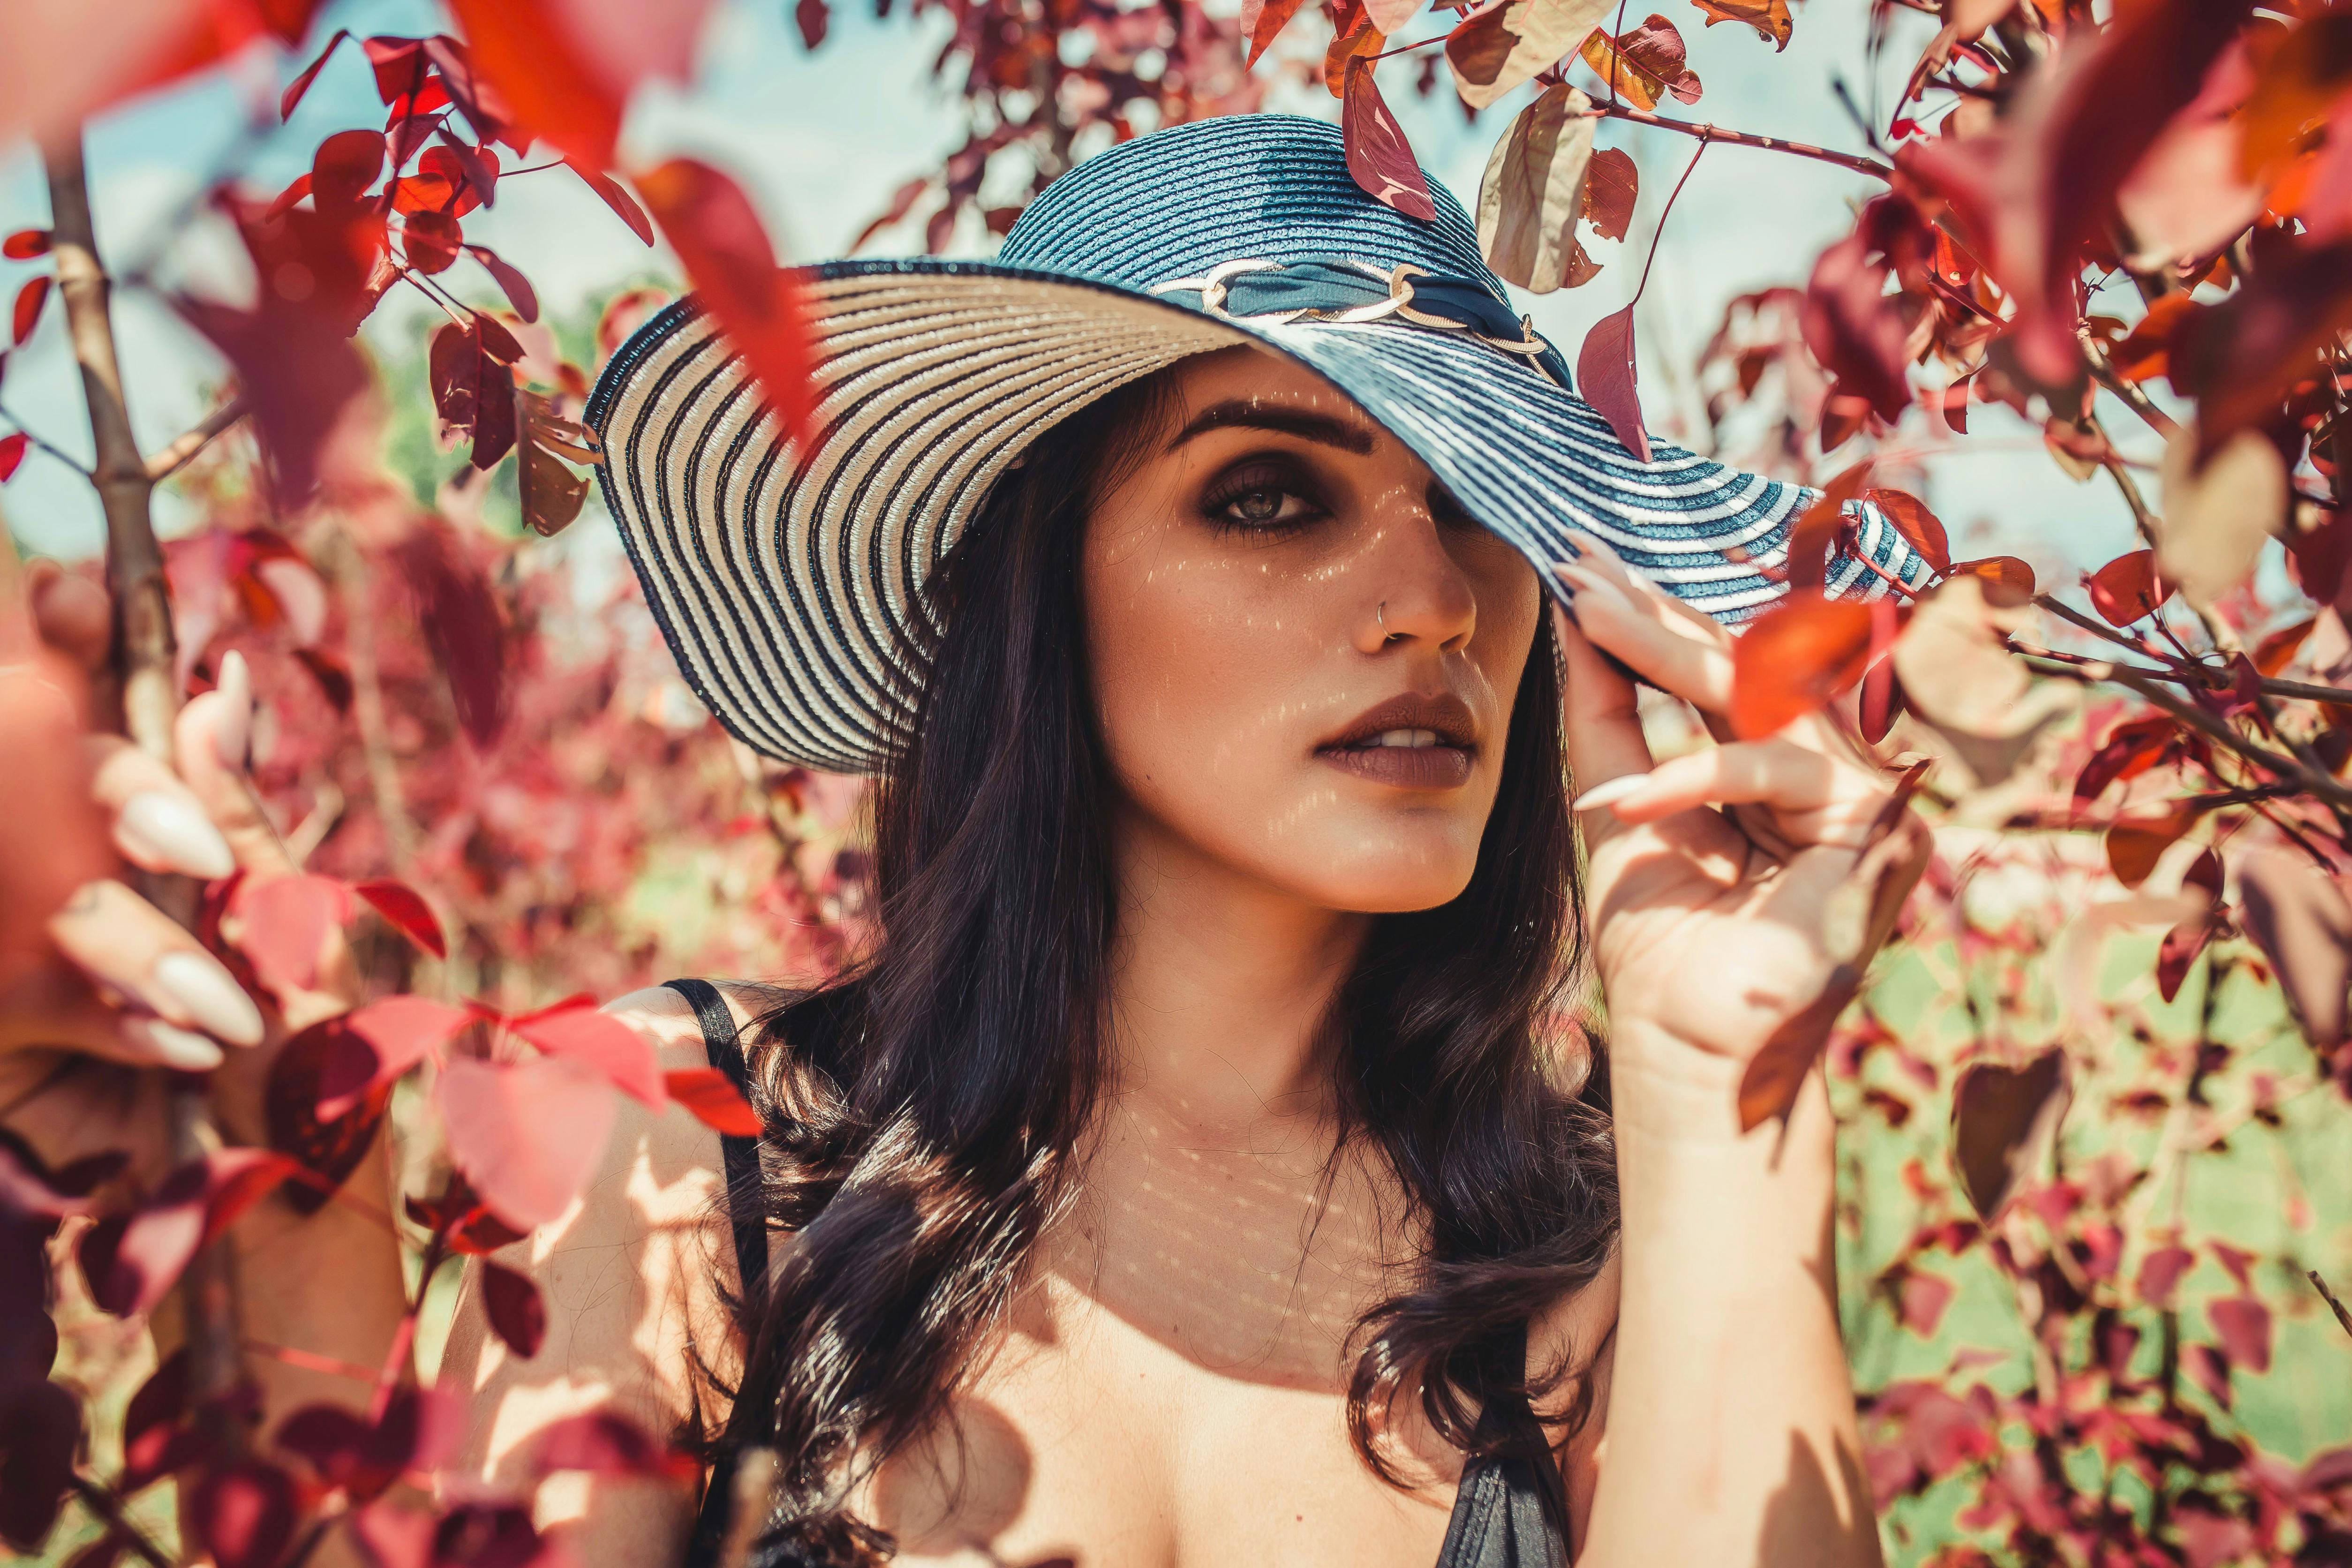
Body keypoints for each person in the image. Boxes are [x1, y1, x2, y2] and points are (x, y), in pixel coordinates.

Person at [4, 114, 1926, 1567]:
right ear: (1039, 593)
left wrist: (1728, 1087)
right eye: (1269, 494)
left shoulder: (1585, 1239)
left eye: (1481, 505)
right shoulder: (683, 1146)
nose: (1433, 598)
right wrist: (298, 1225)